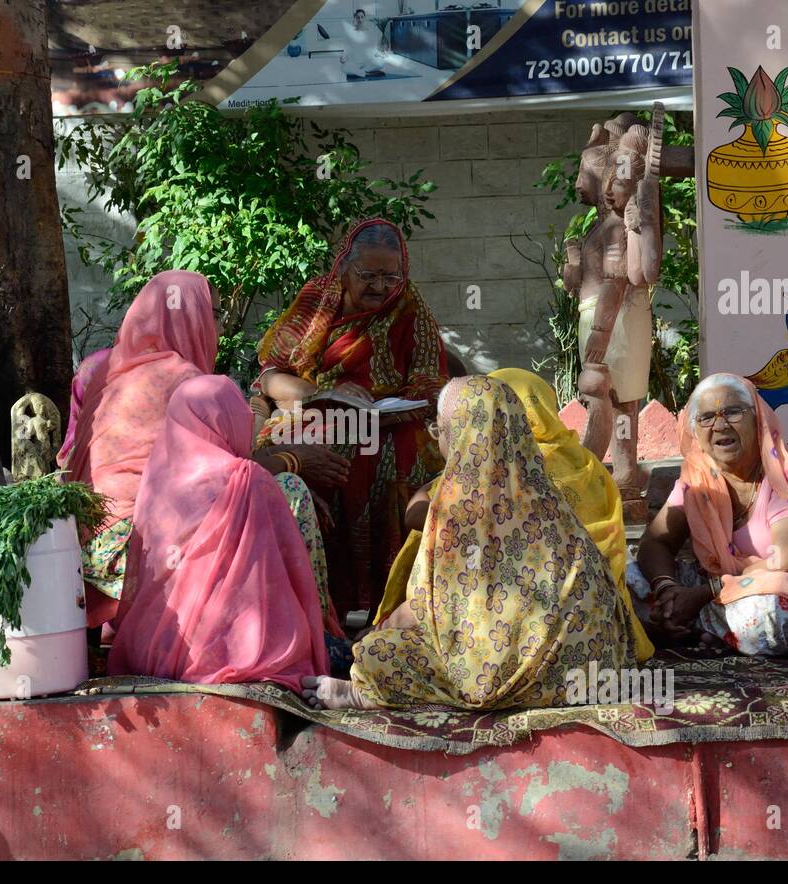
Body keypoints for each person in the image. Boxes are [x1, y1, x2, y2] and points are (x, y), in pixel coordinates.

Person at [303, 376, 636, 711]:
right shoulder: (545, 494)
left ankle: (360, 695)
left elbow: (423, 610)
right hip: (592, 672)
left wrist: (370, 642)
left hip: (515, 673)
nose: (437, 442)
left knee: (378, 655)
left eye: (440, 431)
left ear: (460, 434)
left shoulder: (458, 504)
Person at [65, 271, 346, 633]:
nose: (217, 326)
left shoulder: (104, 370)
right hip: (137, 551)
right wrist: (296, 461)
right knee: (288, 492)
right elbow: (233, 475)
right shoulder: (188, 383)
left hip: (89, 549)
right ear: (188, 317)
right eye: (211, 313)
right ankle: (310, 633)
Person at [375, 368, 654, 663]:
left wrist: (384, 628)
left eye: (440, 430)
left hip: (511, 651)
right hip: (599, 642)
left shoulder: (486, 474)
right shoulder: (575, 464)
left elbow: (433, 599)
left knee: (378, 656)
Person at [256, 218, 447, 617]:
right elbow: (271, 376)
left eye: (390, 276)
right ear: (343, 268)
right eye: (368, 276)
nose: (380, 287)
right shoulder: (316, 299)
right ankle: (326, 602)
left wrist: (400, 404)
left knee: (405, 450)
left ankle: (396, 598)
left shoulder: (408, 304)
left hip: (389, 419)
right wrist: (325, 393)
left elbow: (430, 377)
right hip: (313, 409)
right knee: (321, 446)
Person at [108, 375, 329, 692]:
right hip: (231, 651)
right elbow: (289, 577)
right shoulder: (249, 480)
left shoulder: (156, 481)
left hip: (151, 645)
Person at [633, 373, 788, 658]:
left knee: (776, 604)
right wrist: (667, 589)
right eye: (707, 417)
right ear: (695, 431)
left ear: (757, 418)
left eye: (733, 412)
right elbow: (655, 542)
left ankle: (694, 624)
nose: (720, 425)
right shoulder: (698, 480)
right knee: (627, 576)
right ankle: (695, 621)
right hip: (723, 590)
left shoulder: (786, 471)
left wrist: (701, 595)